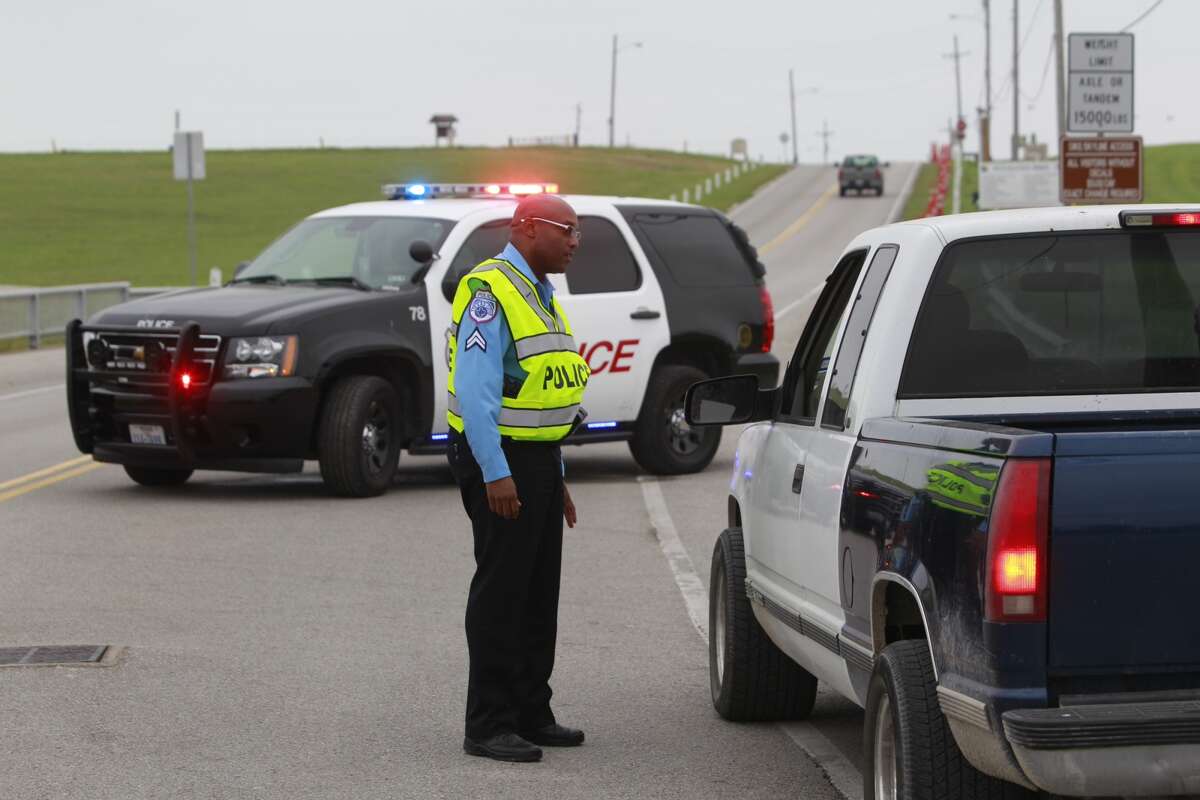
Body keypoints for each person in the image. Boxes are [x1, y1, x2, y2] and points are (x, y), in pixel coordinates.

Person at [444, 193, 591, 763]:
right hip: (500, 459)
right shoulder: (489, 293)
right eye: (566, 229)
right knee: (502, 593)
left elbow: (539, 393)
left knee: (537, 594)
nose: (576, 241)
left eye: (577, 230)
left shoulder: (542, 293)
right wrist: (496, 473)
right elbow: (477, 395)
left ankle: (532, 712)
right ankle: (488, 723)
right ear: (527, 228)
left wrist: (556, 473)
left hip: (537, 460)